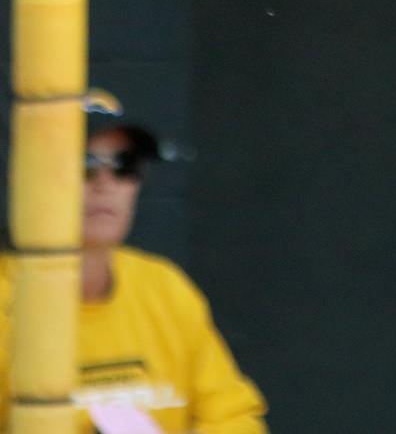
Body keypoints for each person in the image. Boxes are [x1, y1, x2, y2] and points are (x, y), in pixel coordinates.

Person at [1, 102, 268, 434]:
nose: (104, 183)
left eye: (124, 167)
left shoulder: (164, 288)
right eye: (83, 165)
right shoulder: (6, 301)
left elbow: (235, 417)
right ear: (24, 178)